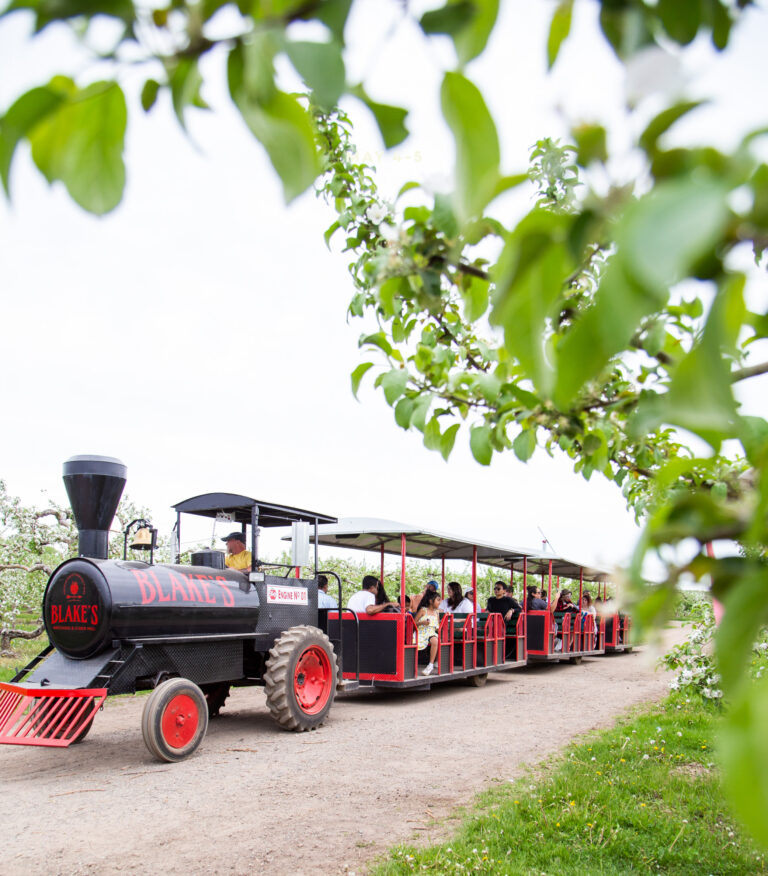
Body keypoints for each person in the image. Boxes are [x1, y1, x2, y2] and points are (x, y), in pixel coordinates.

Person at [414, 590, 440, 675]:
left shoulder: (437, 613)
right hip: (421, 632)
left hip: (431, 632)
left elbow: (437, 627)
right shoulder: (423, 610)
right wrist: (422, 623)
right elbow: (413, 623)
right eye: (438, 600)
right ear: (431, 601)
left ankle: (430, 665)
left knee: (435, 640)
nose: (439, 602)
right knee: (413, 641)